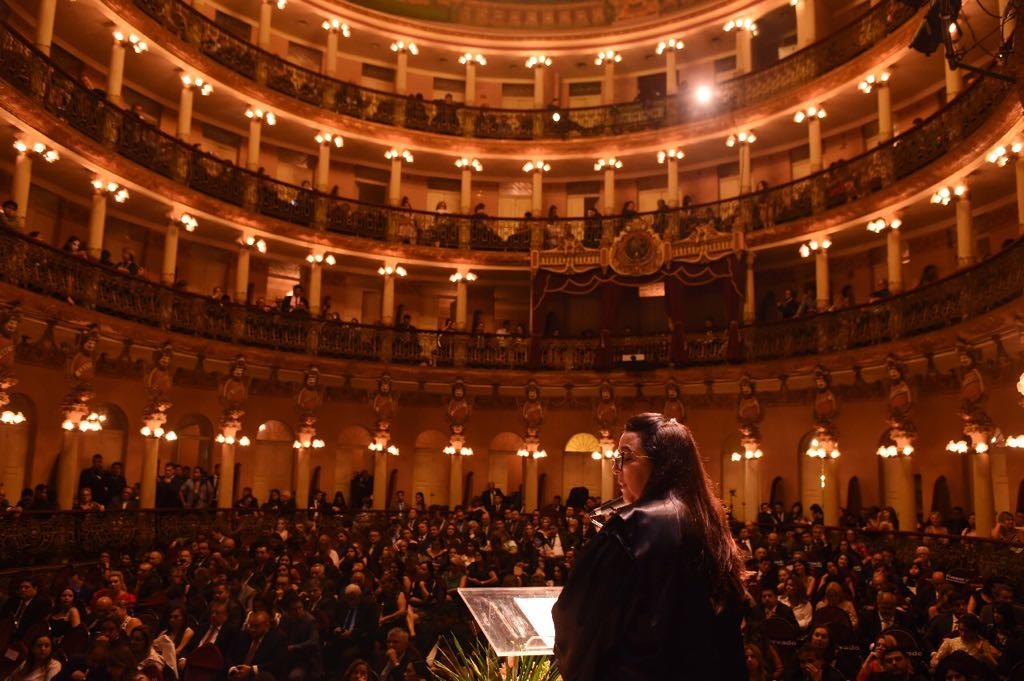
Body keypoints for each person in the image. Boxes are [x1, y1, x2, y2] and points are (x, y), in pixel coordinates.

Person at [552, 413, 746, 680]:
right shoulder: (710, 523)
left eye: (627, 457)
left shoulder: (633, 526)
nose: (616, 469)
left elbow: (577, 623)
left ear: (662, 464)